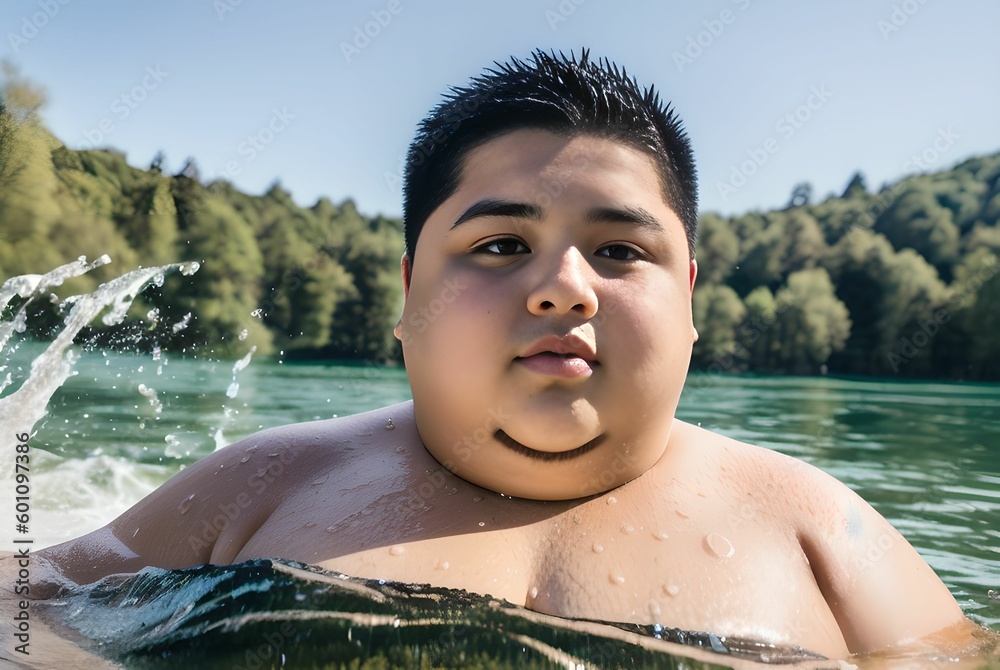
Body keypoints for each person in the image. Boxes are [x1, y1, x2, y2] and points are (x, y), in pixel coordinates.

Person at [16, 49, 989, 660]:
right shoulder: (255, 488)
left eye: (621, 251)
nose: (563, 285)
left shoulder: (825, 534)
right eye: (498, 245)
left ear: (689, 299)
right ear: (410, 295)